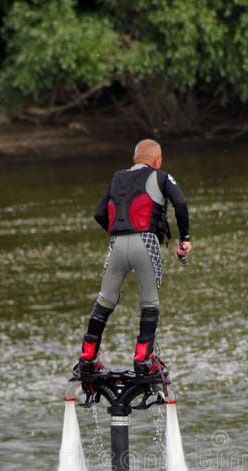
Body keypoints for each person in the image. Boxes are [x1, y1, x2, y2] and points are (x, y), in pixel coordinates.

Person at [75, 138, 192, 377]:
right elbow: (180, 202)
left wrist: (118, 231)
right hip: (146, 243)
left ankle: (87, 357)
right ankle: (143, 360)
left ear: (134, 159)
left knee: (105, 301)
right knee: (149, 304)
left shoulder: (117, 177)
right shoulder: (161, 177)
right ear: (157, 160)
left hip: (116, 244)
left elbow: (99, 213)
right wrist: (185, 238)